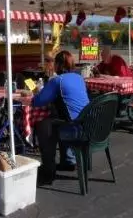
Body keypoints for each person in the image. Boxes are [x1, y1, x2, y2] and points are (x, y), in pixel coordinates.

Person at [32, 50, 89, 185]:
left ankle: (48, 170)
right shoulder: (79, 78)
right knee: (59, 118)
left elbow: (37, 101)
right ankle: (68, 160)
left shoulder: (57, 80)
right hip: (89, 125)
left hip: (74, 129)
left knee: (44, 125)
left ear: (57, 65)